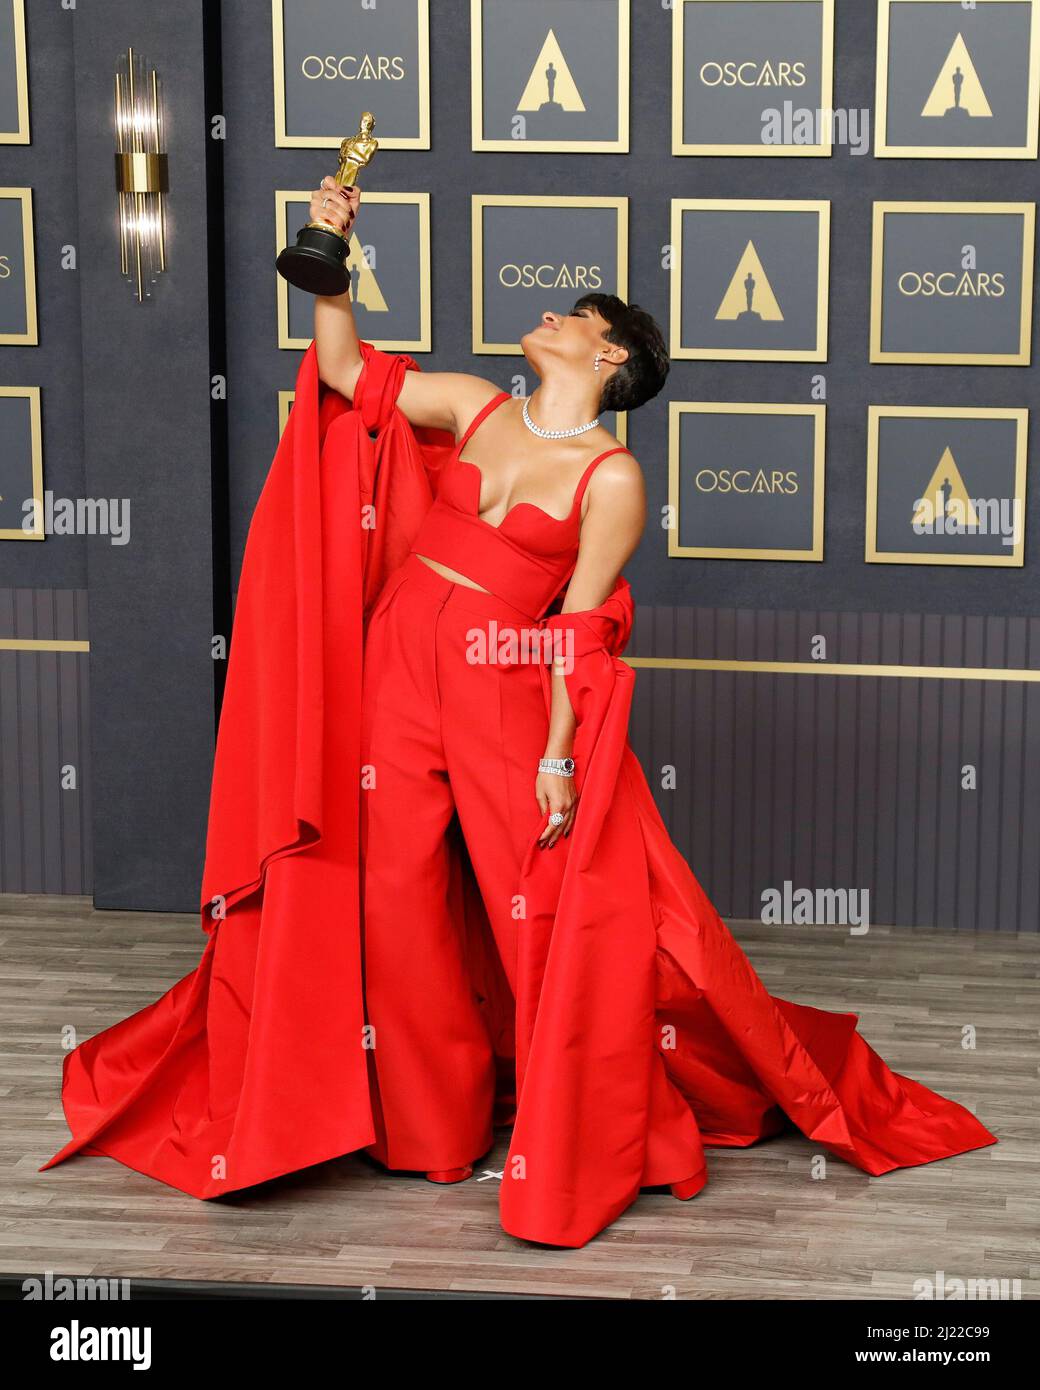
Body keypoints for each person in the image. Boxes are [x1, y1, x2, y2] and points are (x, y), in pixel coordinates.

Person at [40, 179, 997, 1250]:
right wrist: (331, 257)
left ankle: (587, 1126)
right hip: (394, 674)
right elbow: (347, 376)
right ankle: (427, 1132)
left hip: (501, 696)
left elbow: (580, 628)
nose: (544, 318)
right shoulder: (475, 406)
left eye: (570, 319)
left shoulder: (613, 476)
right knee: (393, 905)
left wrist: (556, 757)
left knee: (536, 917)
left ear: (608, 360)